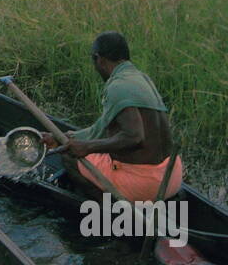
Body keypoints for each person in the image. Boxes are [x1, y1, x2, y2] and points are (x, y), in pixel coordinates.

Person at [42, 32, 182, 201]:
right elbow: (100, 129)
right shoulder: (139, 78)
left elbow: (134, 136)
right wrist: (61, 138)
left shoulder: (117, 86)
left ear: (99, 59)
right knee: (102, 147)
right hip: (171, 175)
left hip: (146, 185)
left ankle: (107, 207)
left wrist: (87, 148)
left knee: (69, 158)